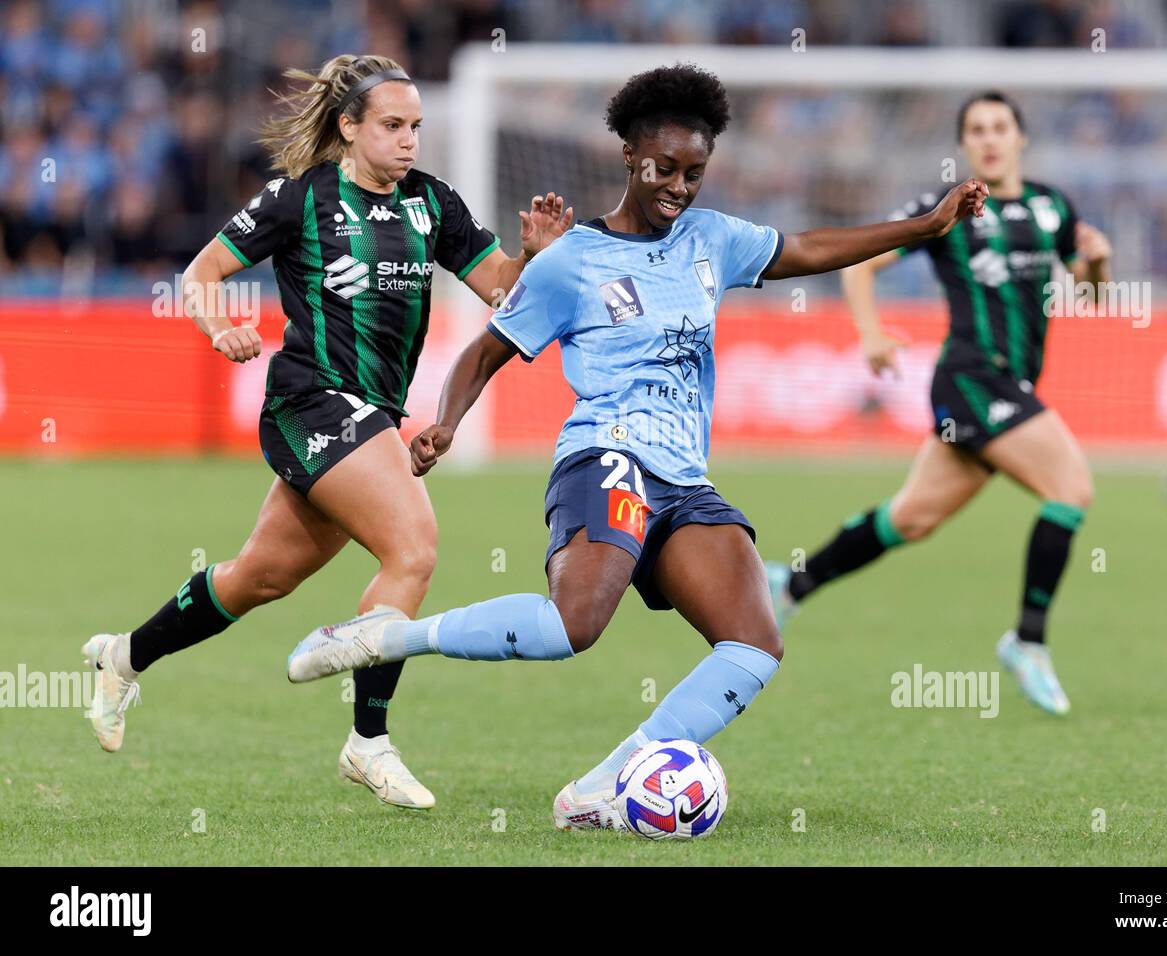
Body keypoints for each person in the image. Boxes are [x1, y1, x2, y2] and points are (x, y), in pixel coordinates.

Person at [284, 63, 987, 830]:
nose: (679, 187)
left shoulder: (714, 240)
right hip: (605, 456)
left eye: (694, 172)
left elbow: (812, 246)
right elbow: (485, 351)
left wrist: (924, 227)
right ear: (628, 156)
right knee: (574, 627)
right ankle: (387, 637)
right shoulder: (572, 260)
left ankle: (603, 786)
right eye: (664, 168)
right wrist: (447, 422)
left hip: (683, 481)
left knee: (755, 645)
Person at [81, 54, 571, 808]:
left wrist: (531, 255)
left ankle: (123, 657)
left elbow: (500, 289)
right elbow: (200, 275)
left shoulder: (432, 203)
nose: (409, 141)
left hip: (372, 416)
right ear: (349, 126)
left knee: (259, 577)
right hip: (310, 402)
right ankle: (368, 742)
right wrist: (219, 328)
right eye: (392, 126)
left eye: (415, 127)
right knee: (413, 547)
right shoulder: (300, 199)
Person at [767, 91, 1111, 716]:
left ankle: (791, 583)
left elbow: (1090, 296)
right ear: (964, 144)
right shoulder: (948, 208)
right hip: (972, 380)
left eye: (1000, 126)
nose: (989, 138)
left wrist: (1099, 264)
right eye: (976, 129)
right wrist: (870, 334)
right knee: (1071, 489)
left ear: (1020, 137)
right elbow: (859, 265)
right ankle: (1028, 640)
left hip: (1010, 388)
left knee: (911, 518)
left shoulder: (1053, 205)